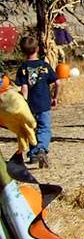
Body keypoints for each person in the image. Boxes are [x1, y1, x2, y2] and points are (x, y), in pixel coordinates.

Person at [15, 36, 60, 166]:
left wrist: (23, 103)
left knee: (31, 129)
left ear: (22, 51)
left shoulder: (22, 68)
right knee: (44, 128)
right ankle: (42, 149)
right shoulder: (44, 66)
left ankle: (34, 155)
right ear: (38, 49)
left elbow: (24, 88)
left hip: (30, 105)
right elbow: (58, 82)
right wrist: (55, 97)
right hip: (44, 103)